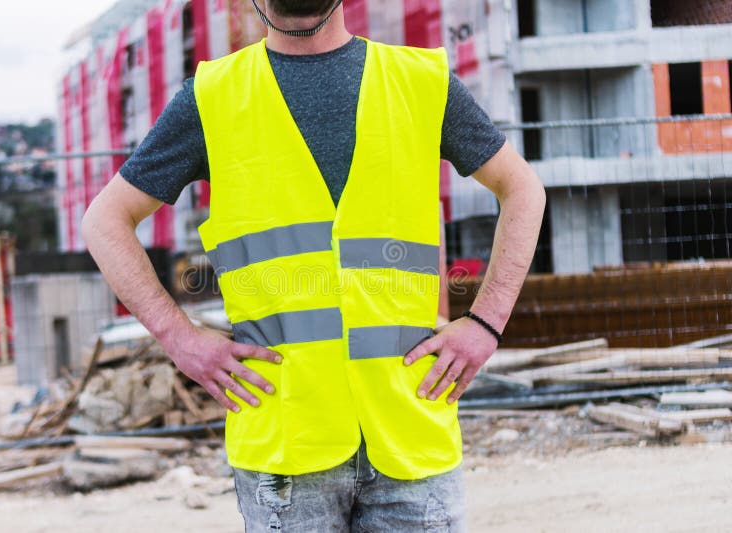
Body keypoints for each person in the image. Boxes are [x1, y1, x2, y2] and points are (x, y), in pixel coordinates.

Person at [82, 0, 546, 531]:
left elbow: (523, 189)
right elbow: (105, 221)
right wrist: (177, 337)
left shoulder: (422, 82)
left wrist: (486, 324)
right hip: (286, 436)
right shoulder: (212, 99)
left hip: (409, 425)